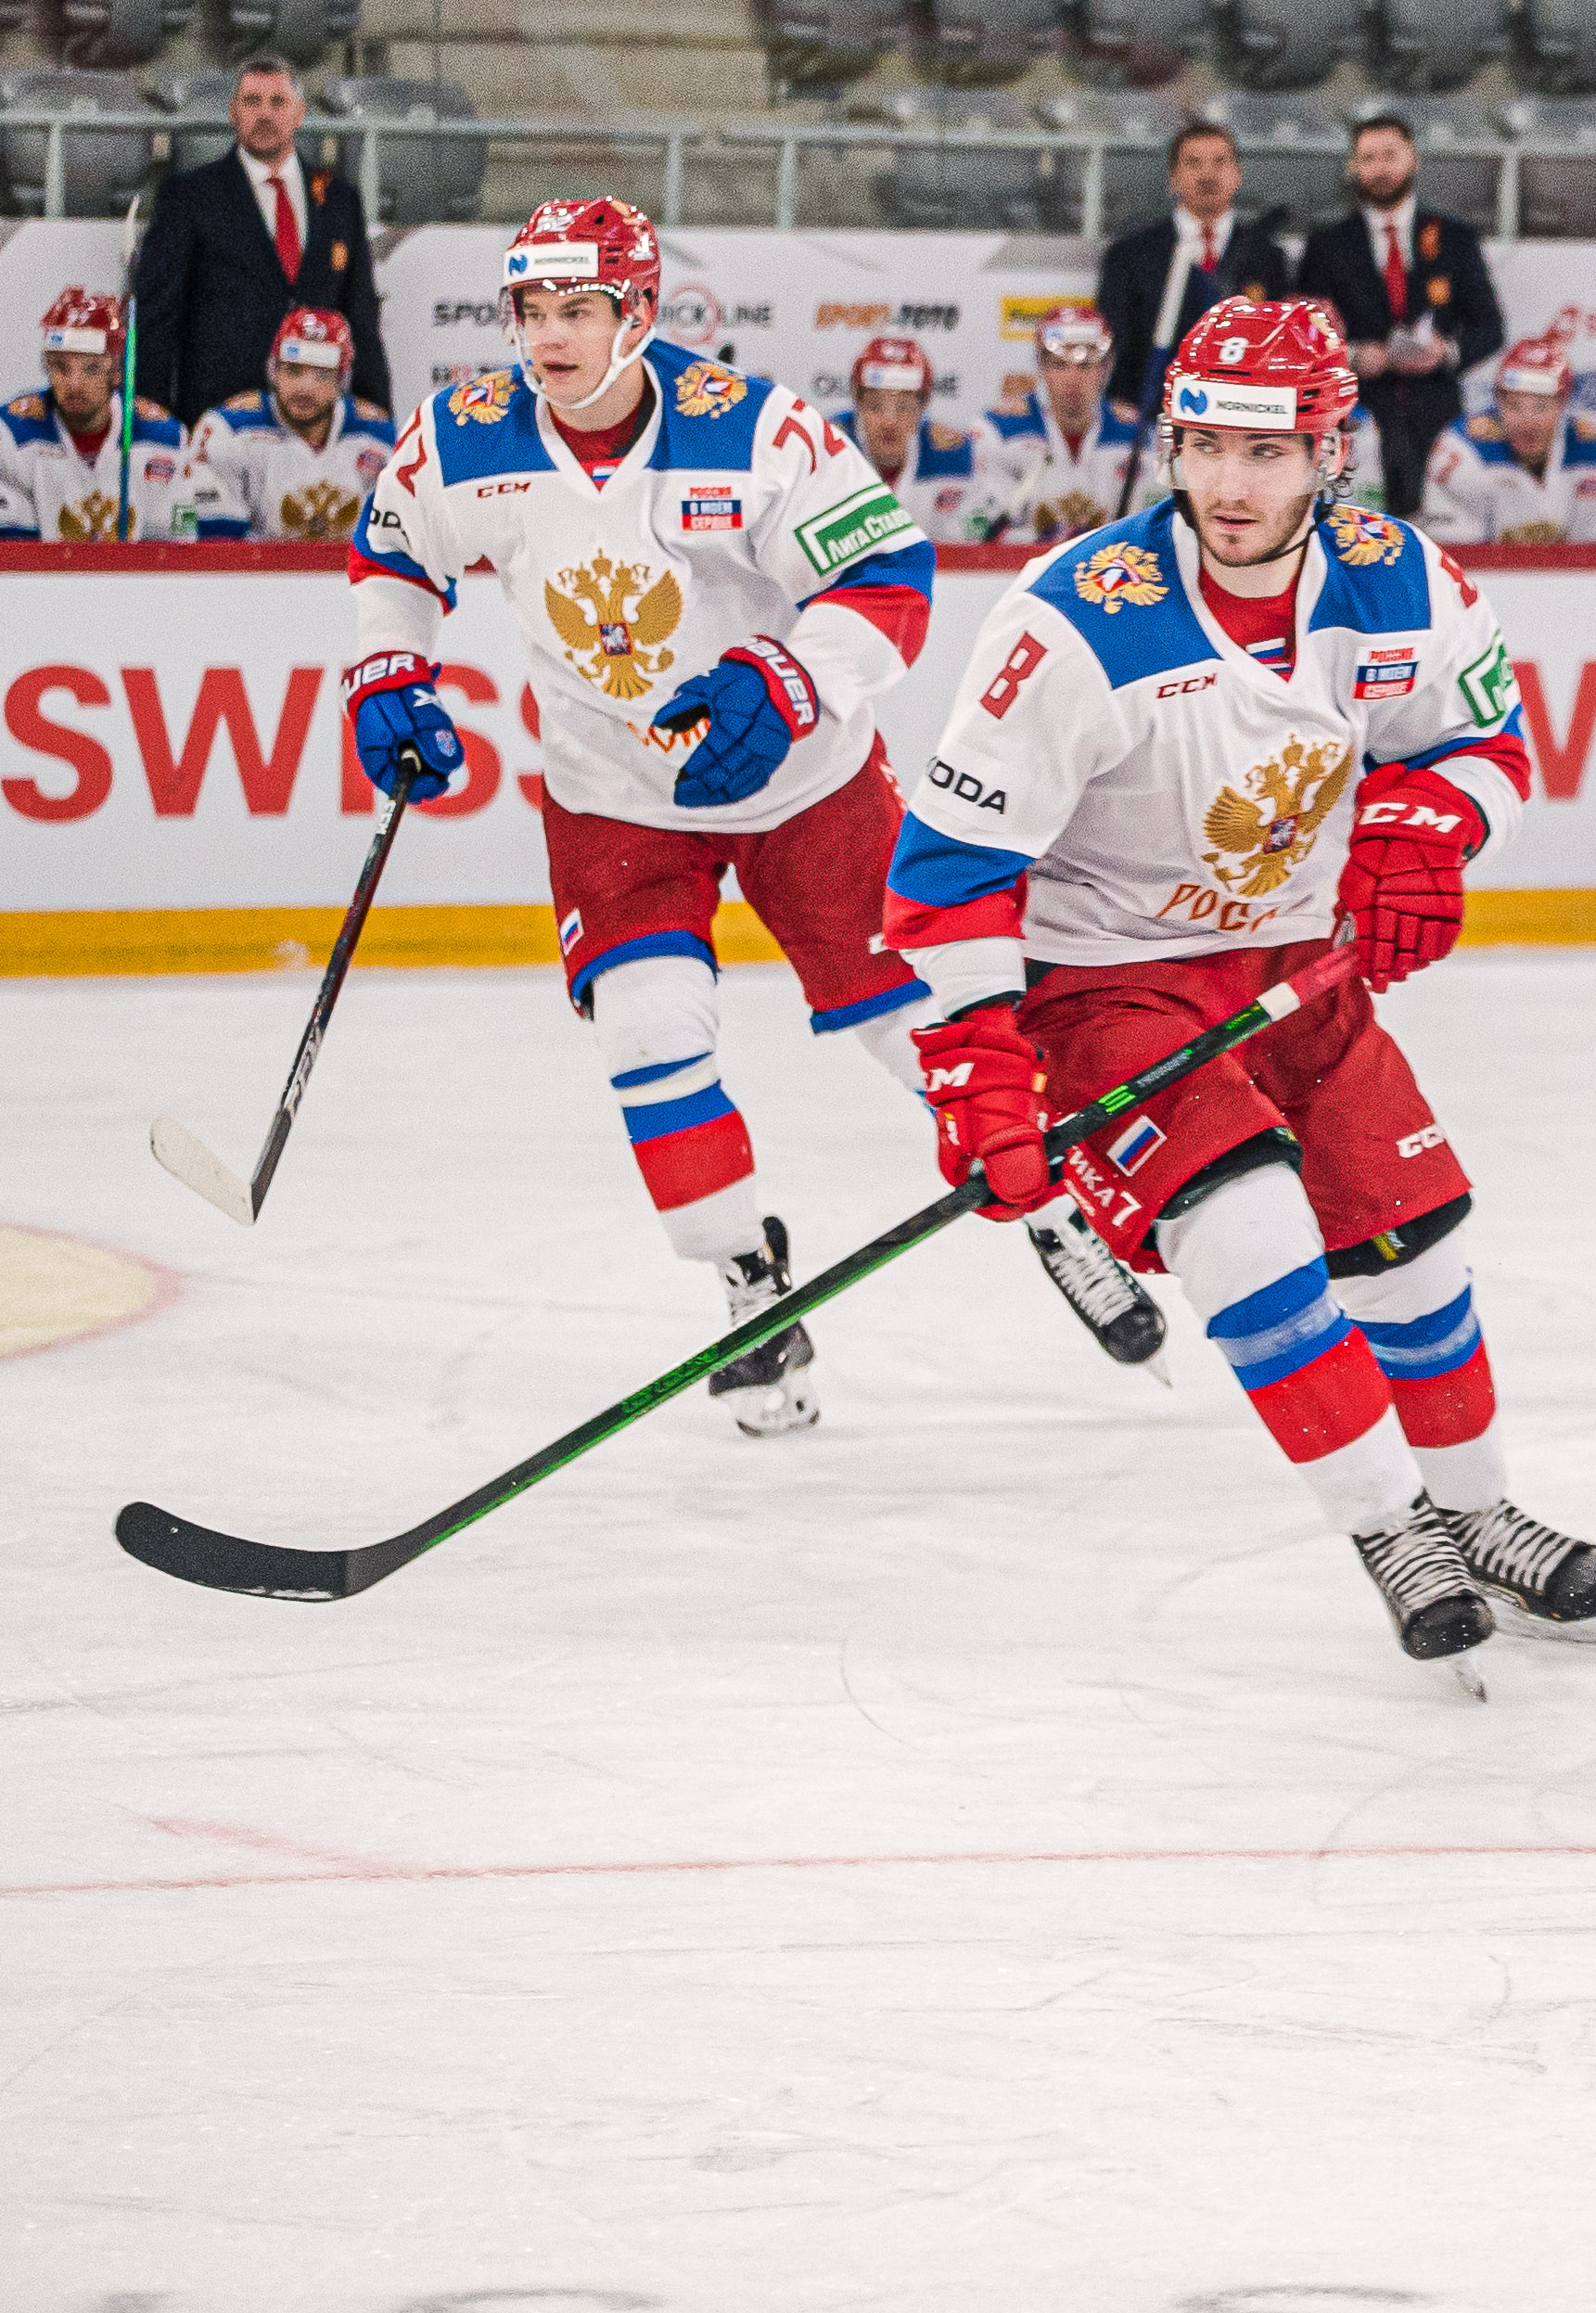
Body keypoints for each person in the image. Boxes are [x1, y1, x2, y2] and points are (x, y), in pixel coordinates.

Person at [886, 288, 1596, 1682]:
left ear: (1326, 455)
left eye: (1268, 451)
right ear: (1172, 441)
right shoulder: (1073, 620)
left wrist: (1427, 831)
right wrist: (976, 1060)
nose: (1231, 483)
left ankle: (1475, 1510)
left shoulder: (1398, 578)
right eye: (1208, 444)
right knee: (1252, 1239)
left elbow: (1483, 742)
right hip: (1103, 987)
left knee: (1415, 1247)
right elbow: (949, 867)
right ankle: (1389, 1525)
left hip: (1295, 969)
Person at [340, 198, 1156, 1428]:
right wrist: (387, 667)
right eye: (530, 310)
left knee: (925, 1032)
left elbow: (886, 577)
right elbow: (393, 551)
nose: (549, 335)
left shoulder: (752, 428)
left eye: (578, 308)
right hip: (612, 795)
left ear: (640, 312)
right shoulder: (463, 434)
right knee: (647, 1036)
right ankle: (747, 1288)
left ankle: (1055, 1211)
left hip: (804, 785)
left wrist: (786, 674)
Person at [125, 56, 389, 432]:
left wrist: (377, 417)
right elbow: (157, 319)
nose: (264, 114)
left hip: (321, 423)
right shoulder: (188, 196)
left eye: (277, 102)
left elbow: (360, 316)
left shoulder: (339, 199)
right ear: (234, 112)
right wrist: (151, 424)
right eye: (252, 102)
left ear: (299, 113)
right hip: (218, 421)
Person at [1289, 115, 1505, 518]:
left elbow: (1490, 327)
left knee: (1446, 538)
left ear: (1414, 159)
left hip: (1438, 415)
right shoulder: (1326, 244)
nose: (1380, 169)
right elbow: (1303, 336)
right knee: (1354, 534)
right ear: (1353, 167)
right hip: (1356, 413)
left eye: (1390, 155)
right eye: (1368, 158)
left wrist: (1446, 351)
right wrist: (1352, 356)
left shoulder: (1455, 237)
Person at [1102, 120, 1289, 425]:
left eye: (1219, 162)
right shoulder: (1130, 255)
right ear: (1173, 178)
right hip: (1152, 421)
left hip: (1241, 423)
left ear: (1237, 175)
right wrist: (1120, 408)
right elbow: (1117, 344)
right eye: (1193, 163)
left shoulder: (1267, 256)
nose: (1207, 174)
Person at [0, 288, 206, 540]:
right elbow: (13, 554)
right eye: (61, 367)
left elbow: (176, 550)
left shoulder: (165, 437)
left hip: (136, 579)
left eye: (91, 368)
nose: (74, 383)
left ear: (117, 372)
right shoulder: (11, 434)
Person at [183, 307, 383, 544]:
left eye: (321, 375)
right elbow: (218, 551)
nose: (305, 388)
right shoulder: (228, 430)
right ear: (274, 371)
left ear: (341, 381)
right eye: (294, 370)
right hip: (255, 579)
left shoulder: (378, 436)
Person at [1420, 335, 1596, 545]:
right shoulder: (1461, 451)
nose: (1527, 422)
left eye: (1541, 406)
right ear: (1497, 401)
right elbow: (1457, 557)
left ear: (1563, 403)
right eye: (1514, 405)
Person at [967, 306, 1144, 545]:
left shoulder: (1136, 435)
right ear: (1041, 367)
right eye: (1060, 364)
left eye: (1085, 365)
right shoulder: (998, 431)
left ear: (1107, 368)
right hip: (1019, 574)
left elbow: (1151, 532)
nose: (1073, 378)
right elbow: (981, 533)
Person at [842, 334, 988, 546]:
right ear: (858, 402)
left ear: (923, 405)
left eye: (902, 407)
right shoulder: (830, 451)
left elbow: (975, 548)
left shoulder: (954, 456)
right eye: (876, 406)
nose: (889, 422)